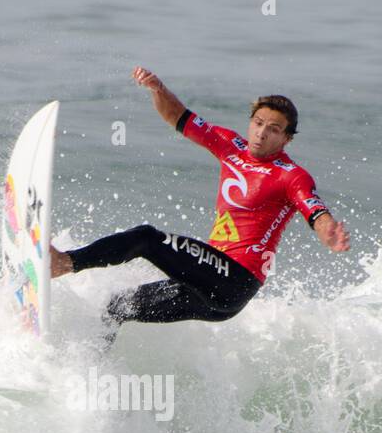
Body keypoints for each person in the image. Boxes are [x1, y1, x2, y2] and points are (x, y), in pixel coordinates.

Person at [51, 66, 350, 345]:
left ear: (286, 138)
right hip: (208, 291)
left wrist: (327, 231)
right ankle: (87, 366)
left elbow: (314, 209)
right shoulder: (230, 146)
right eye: (258, 123)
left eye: (273, 129)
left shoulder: (291, 176)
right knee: (118, 305)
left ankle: (64, 262)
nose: (261, 132)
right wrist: (157, 88)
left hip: (235, 281)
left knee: (146, 238)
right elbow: (178, 116)